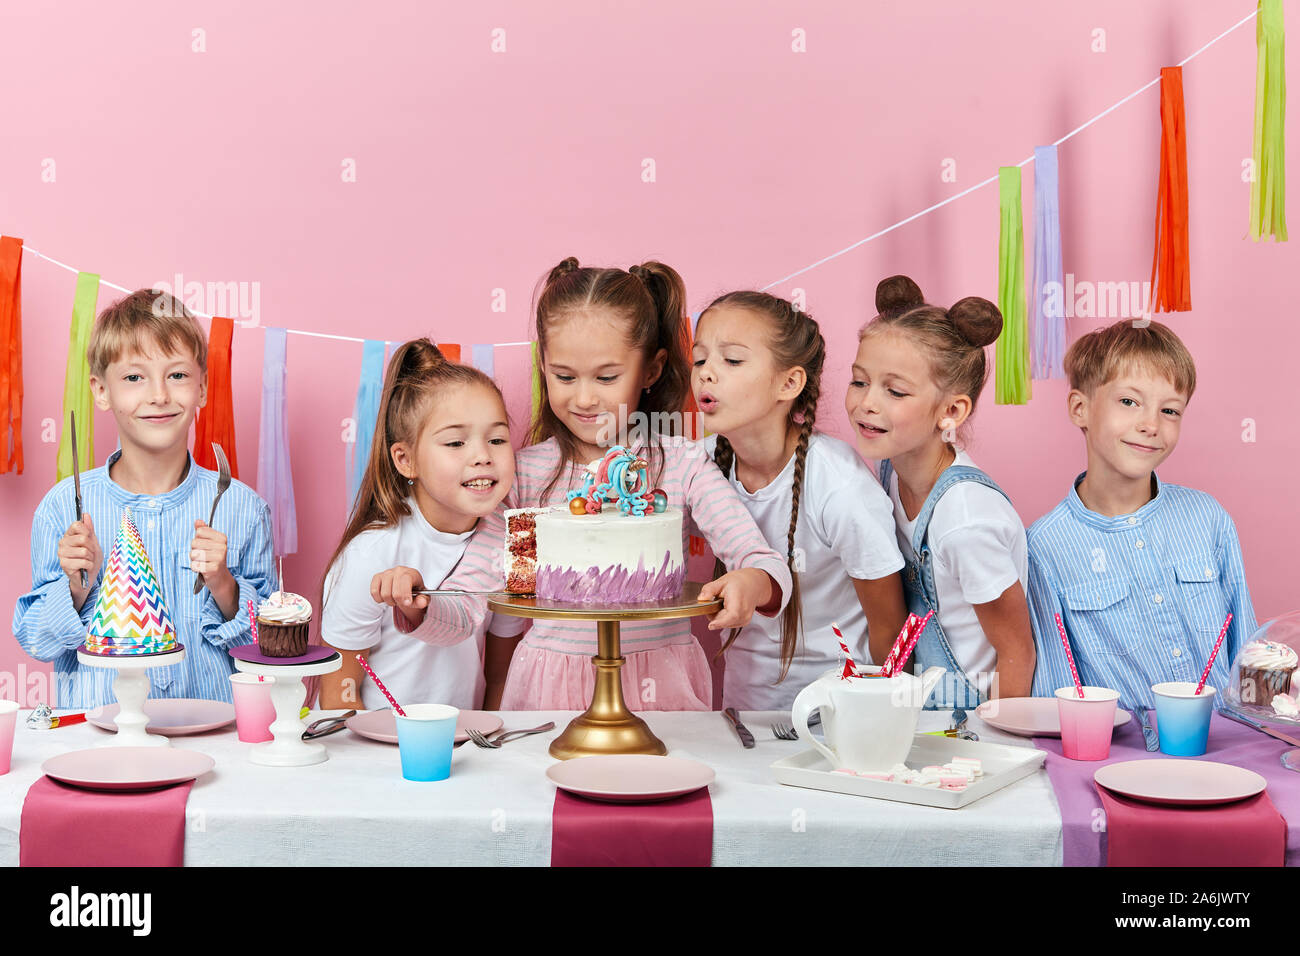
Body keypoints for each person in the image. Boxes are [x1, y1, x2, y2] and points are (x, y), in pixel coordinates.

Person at [13, 289, 274, 707]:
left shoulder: (243, 508)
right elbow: (38, 642)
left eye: (177, 375)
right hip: (102, 745)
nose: (158, 395)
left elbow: (270, 652)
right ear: (101, 392)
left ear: (203, 389)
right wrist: (77, 585)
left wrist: (224, 585)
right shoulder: (63, 508)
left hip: (215, 743)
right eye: (134, 377)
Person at [692, 290, 906, 709]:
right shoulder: (700, 465)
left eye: (732, 360)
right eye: (700, 360)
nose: (706, 374)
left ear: (789, 383)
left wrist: (885, 723)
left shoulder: (840, 485)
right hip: (743, 713)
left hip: (839, 714)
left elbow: (891, 631)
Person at [1028, 319, 1256, 708]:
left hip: (1229, 744)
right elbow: (1058, 692)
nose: (1151, 425)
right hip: (1122, 756)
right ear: (1080, 408)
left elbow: (1247, 653)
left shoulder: (1208, 518)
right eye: (1129, 402)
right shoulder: (1044, 546)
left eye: (1170, 410)